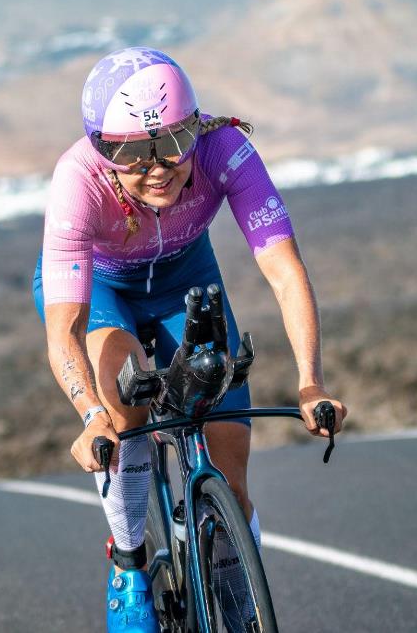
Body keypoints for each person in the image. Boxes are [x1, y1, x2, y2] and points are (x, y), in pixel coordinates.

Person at [34, 47, 347, 632]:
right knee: (125, 406)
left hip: (185, 278)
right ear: (103, 149)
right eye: (131, 153)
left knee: (230, 460)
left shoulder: (225, 149)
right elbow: (65, 330)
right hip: (102, 289)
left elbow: (285, 271)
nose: (158, 167)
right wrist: (89, 415)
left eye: (174, 144)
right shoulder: (77, 181)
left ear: (194, 128)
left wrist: (310, 382)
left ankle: (230, 564)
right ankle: (128, 562)